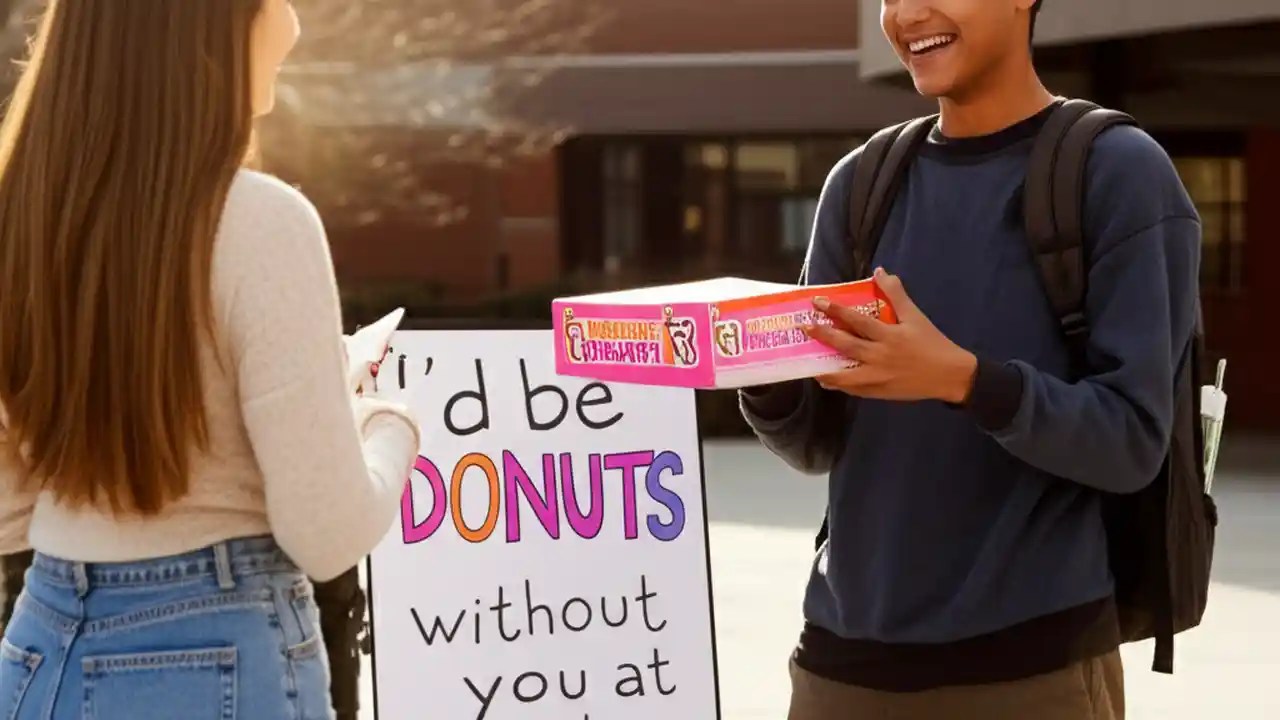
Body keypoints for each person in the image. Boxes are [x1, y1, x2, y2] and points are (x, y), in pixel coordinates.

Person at [740, 1, 1201, 718]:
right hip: (840, 666)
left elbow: (1133, 441)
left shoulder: (1117, 172)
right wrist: (759, 375)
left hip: (1030, 672)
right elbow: (817, 440)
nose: (908, 13)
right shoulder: (861, 184)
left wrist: (963, 380)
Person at [0, 1, 421, 719]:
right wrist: (386, 422)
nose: (290, 23)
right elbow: (327, 535)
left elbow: (11, 510)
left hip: (39, 649)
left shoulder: (19, 217)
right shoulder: (263, 225)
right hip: (220, 651)